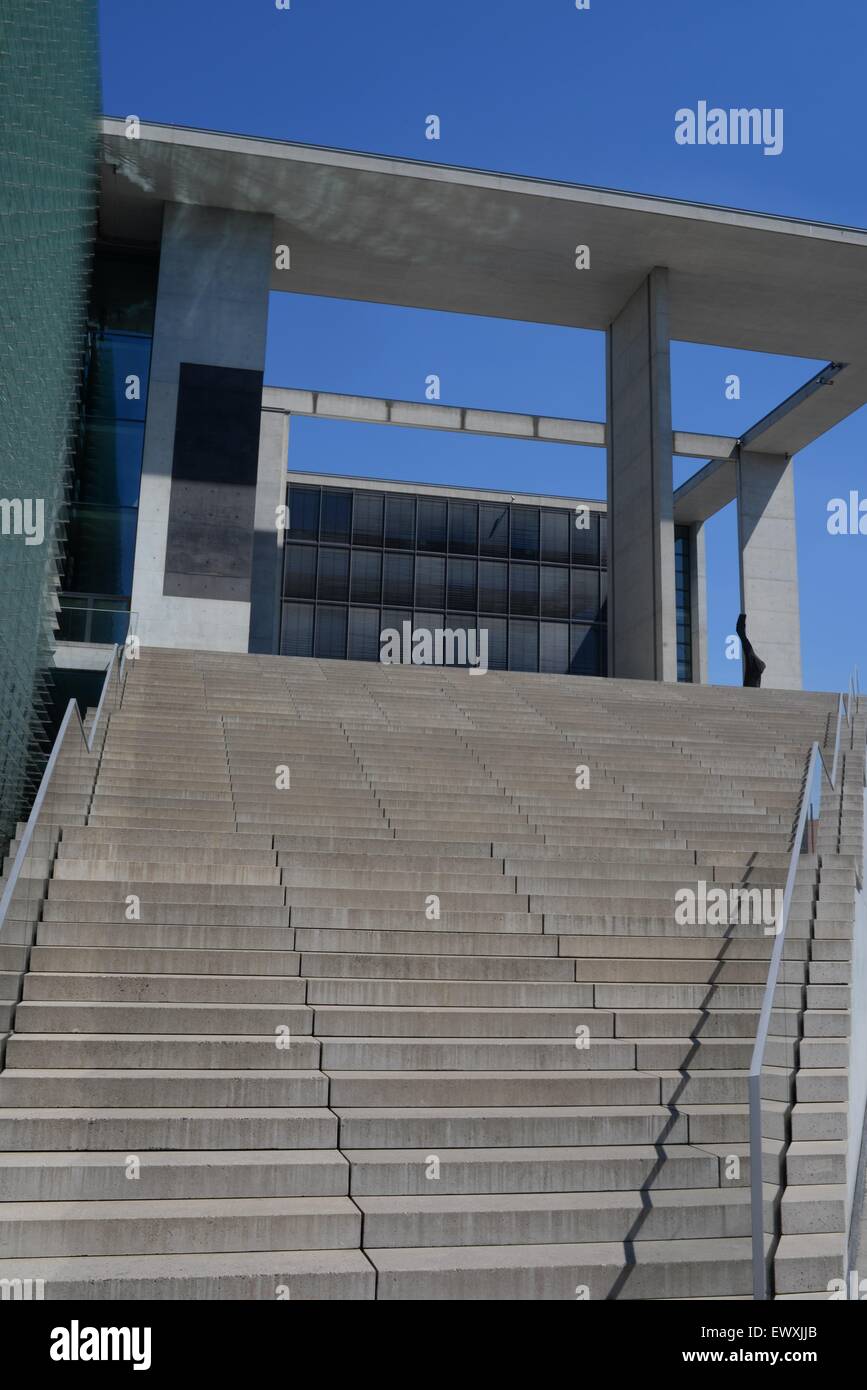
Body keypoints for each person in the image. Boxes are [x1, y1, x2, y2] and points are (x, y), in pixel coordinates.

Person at [736, 612, 766, 688]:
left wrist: (743, 615)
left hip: (753, 673)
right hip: (753, 676)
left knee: (742, 636)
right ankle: (743, 615)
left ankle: (743, 615)